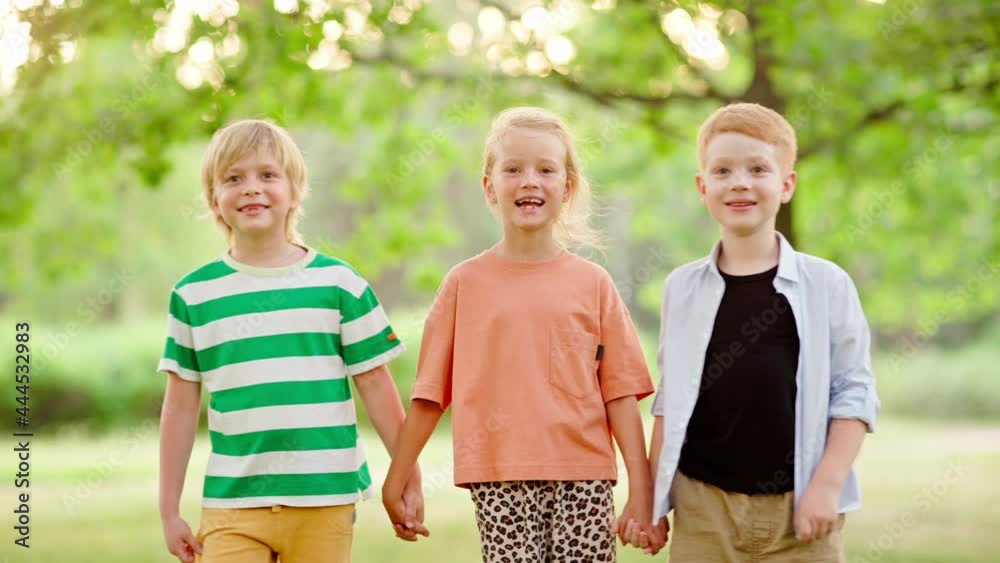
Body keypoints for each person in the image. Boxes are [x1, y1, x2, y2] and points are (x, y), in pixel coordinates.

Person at [157, 119, 426, 563]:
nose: (251, 188)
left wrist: (406, 476)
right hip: (233, 502)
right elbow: (180, 407)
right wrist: (168, 510)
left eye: (267, 175)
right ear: (214, 199)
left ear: (296, 192)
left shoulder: (339, 284)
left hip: (324, 497)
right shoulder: (193, 295)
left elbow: (376, 384)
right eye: (233, 178)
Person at [635, 103, 879, 562]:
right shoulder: (681, 288)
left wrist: (826, 487)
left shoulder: (826, 284)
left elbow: (854, 392)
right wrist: (652, 502)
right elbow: (671, 400)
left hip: (802, 510)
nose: (739, 182)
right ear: (702, 187)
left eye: (758, 169)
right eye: (722, 170)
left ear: (787, 185)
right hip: (703, 508)